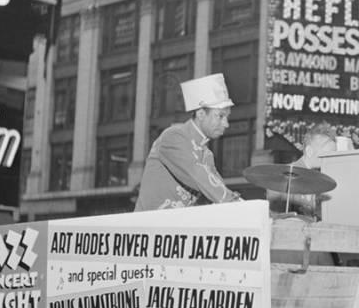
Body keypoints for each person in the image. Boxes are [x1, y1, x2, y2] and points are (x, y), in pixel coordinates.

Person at [135, 73, 242, 211]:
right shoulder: (173, 136)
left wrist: (243, 205)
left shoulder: (207, 155)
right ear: (201, 114)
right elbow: (200, 176)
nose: (226, 124)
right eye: (220, 116)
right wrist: (239, 205)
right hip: (146, 227)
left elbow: (218, 187)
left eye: (227, 118)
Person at [267, 122, 337, 218]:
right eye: (328, 155)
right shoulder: (283, 176)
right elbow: (277, 219)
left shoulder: (322, 179)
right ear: (309, 151)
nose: (332, 159)